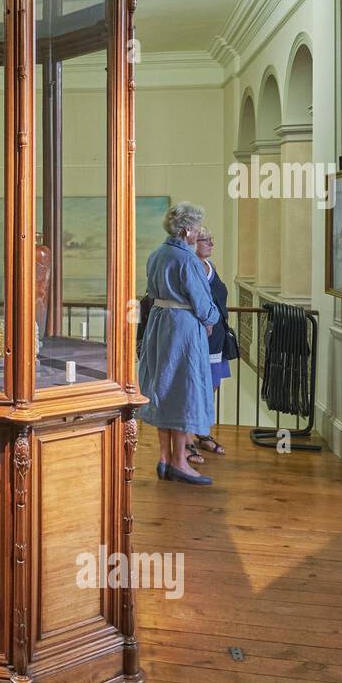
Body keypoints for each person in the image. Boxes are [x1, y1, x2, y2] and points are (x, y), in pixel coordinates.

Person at [137, 203, 221, 486]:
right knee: (183, 391)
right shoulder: (187, 260)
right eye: (197, 229)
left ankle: (164, 457)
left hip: (159, 325)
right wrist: (212, 318)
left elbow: (150, 292)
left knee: (163, 388)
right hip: (183, 329)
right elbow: (202, 302)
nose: (198, 234)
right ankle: (181, 462)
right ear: (187, 230)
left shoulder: (156, 254)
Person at [192, 227, 229, 461]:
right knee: (196, 388)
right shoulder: (191, 267)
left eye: (211, 239)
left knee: (211, 387)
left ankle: (204, 432)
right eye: (206, 240)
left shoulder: (210, 267)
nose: (211, 244)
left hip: (216, 341)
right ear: (194, 243)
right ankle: (190, 438)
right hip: (198, 340)